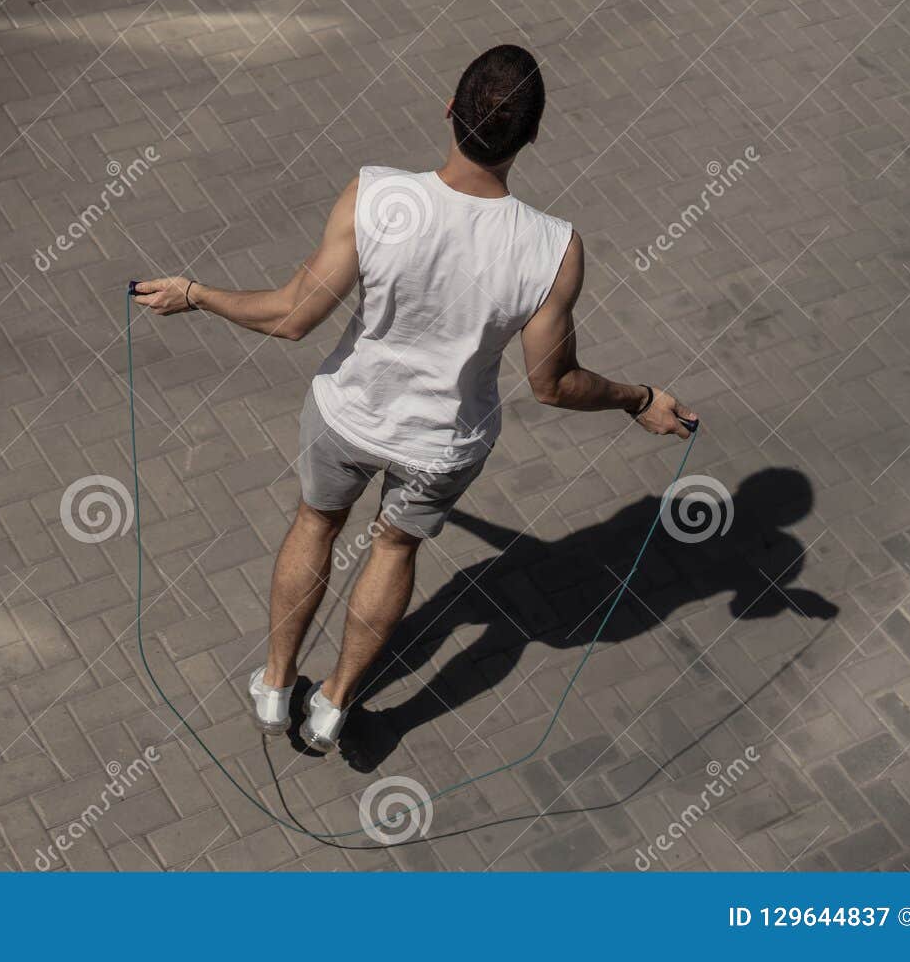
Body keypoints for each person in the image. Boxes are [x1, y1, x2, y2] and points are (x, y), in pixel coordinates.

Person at [133, 44, 697, 754]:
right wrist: (635, 397)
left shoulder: (376, 195)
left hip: (346, 414)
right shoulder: (553, 248)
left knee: (316, 525)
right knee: (393, 548)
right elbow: (553, 384)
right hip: (442, 445)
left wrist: (197, 294)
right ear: (532, 135)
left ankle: (276, 685)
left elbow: (293, 316)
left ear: (448, 110)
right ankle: (335, 704)